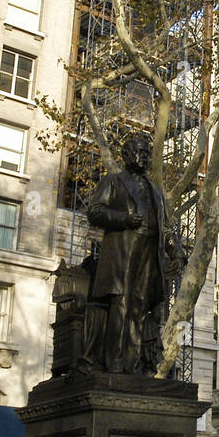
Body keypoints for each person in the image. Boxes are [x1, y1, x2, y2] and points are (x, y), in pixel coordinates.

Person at [81, 133, 184, 376]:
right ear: (126, 155)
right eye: (140, 151)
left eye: (147, 153)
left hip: (149, 250)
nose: (144, 156)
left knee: (139, 306)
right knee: (121, 304)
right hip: (123, 251)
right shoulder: (113, 182)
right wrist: (123, 219)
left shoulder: (156, 191)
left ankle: (133, 363)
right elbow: (94, 211)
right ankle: (114, 362)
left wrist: (176, 252)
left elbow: (166, 227)